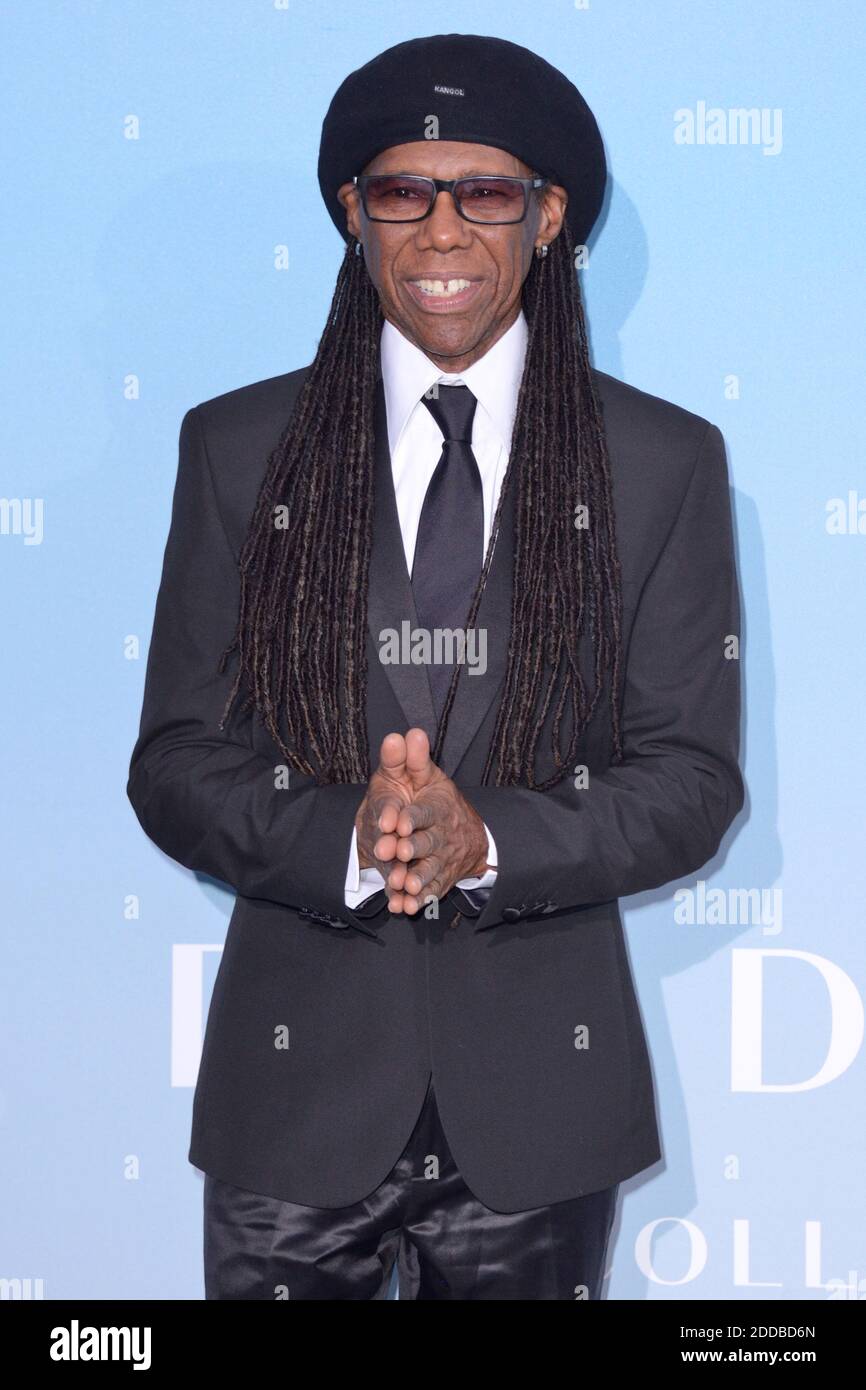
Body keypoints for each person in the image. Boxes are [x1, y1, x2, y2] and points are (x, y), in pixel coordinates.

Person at [127, 33, 744, 1300]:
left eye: (488, 193)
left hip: (538, 1112)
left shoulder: (659, 463)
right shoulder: (238, 448)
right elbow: (175, 763)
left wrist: (488, 840)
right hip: (291, 1107)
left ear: (549, 216)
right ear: (353, 213)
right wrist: (348, 841)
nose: (443, 230)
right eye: (404, 191)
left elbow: (689, 783)